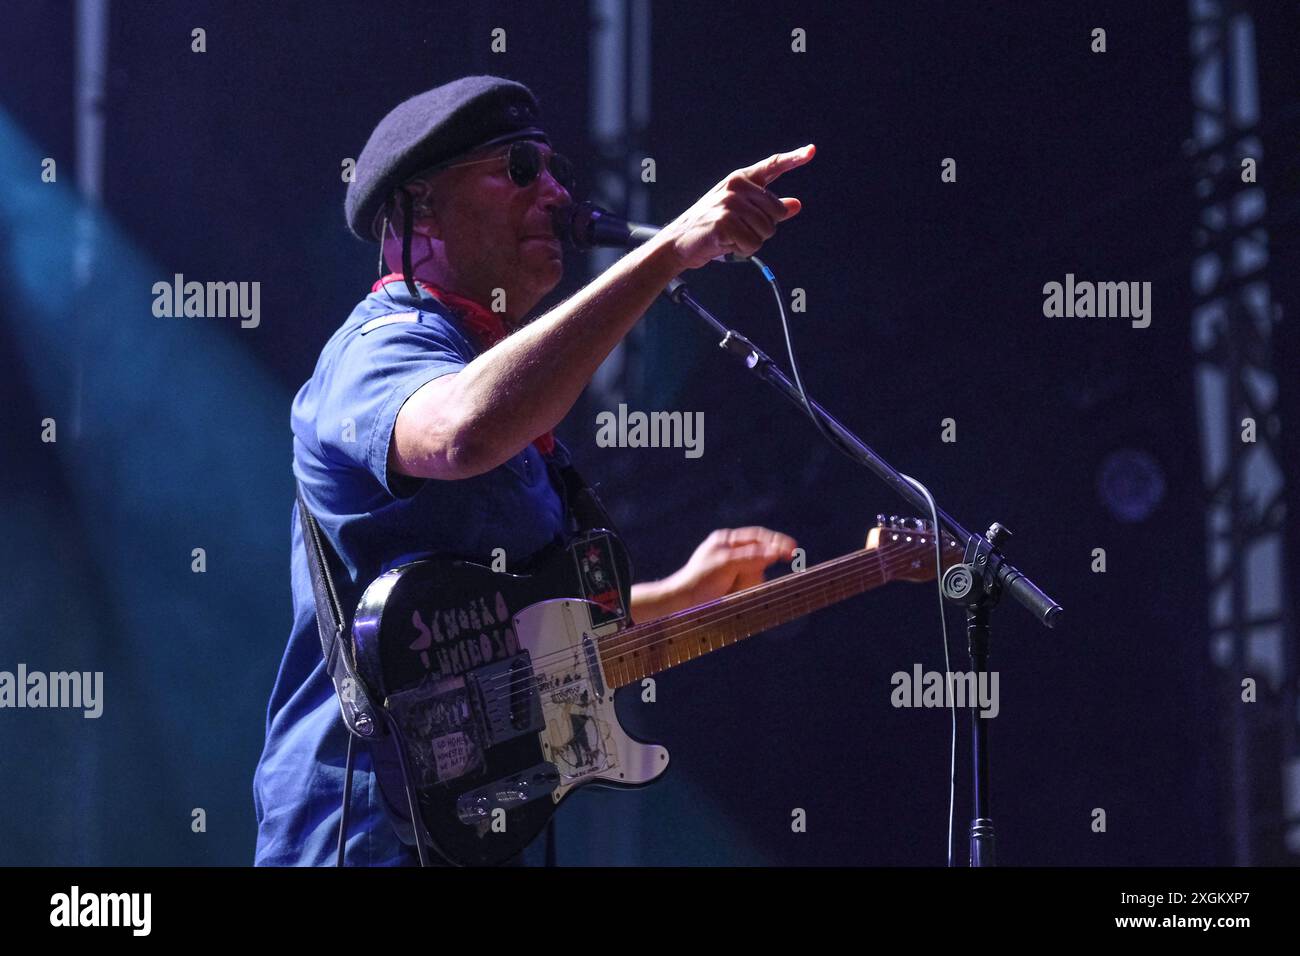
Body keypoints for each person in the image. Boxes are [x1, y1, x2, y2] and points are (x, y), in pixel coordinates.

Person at [253, 75, 814, 866]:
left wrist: (683, 596)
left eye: (556, 171)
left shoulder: (497, 375)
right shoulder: (381, 347)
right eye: (519, 167)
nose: (554, 194)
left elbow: (522, 641)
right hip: (361, 838)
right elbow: (459, 435)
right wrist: (668, 252)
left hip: (464, 835)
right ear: (419, 207)